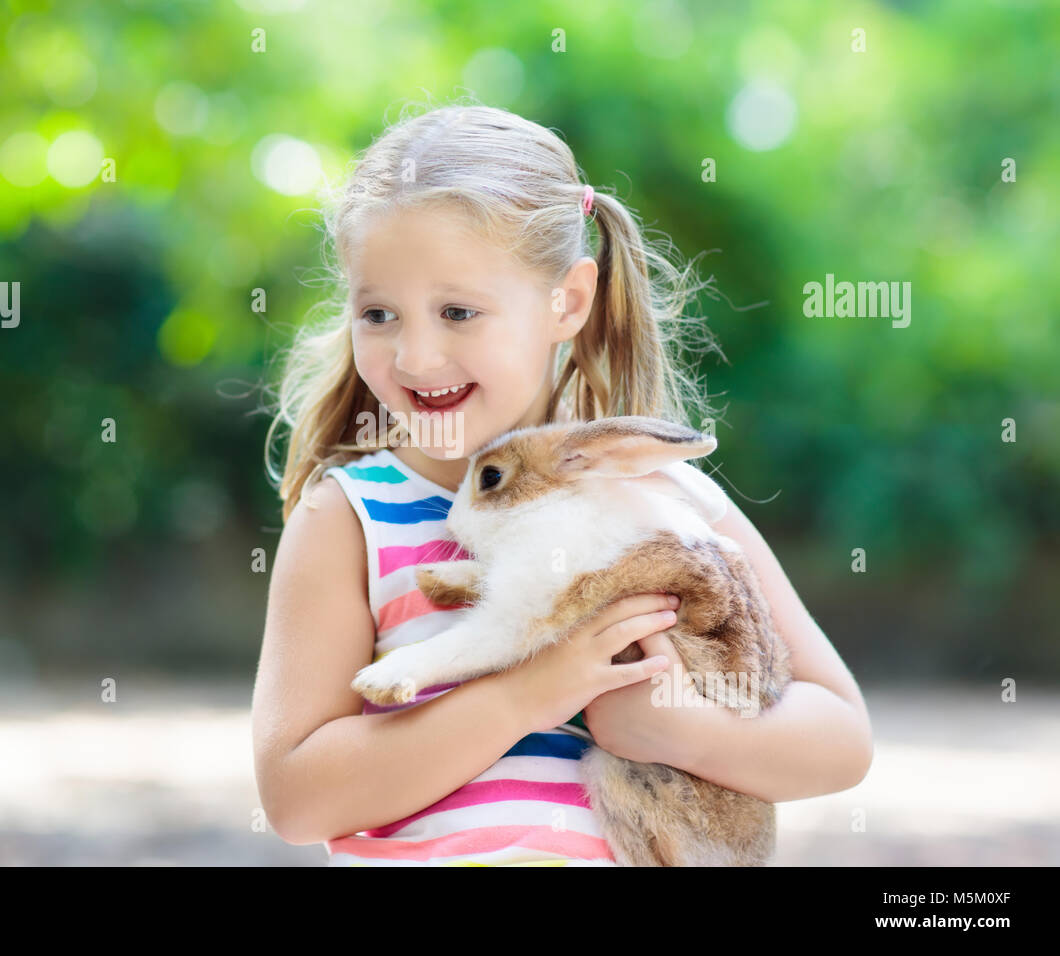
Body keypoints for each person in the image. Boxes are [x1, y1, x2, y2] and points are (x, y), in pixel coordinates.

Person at [252, 100, 873, 865]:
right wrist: (526, 694)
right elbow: (295, 796)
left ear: (566, 302)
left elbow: (841, 738)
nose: (413, 356)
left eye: (456, 311)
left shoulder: (662, 498)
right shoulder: (347, 518)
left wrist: (675, 728)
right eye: (378, 313)